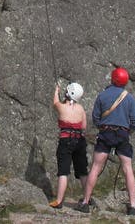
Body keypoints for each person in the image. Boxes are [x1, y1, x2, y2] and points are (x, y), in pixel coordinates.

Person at [76, 67, 135, 217]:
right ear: (125, 81)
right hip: (122, 134)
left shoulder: (102, 96)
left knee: (95, 167)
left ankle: (85, 202)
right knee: (127, 168)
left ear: (113, 79)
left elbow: (96, 118)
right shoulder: (129, 98)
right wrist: (128, 131)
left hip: (105, 133)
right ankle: (132, 206)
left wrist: (103, 127)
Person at [49, 81, 88, 209]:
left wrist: (56, 91)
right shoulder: (81, 108)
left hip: (66, 141)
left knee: (63, 171)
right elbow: (83, 126)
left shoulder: (61, 107)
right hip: (79, 141)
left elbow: (55, 103)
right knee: (82, 171)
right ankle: (87, 199)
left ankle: (59, 201)